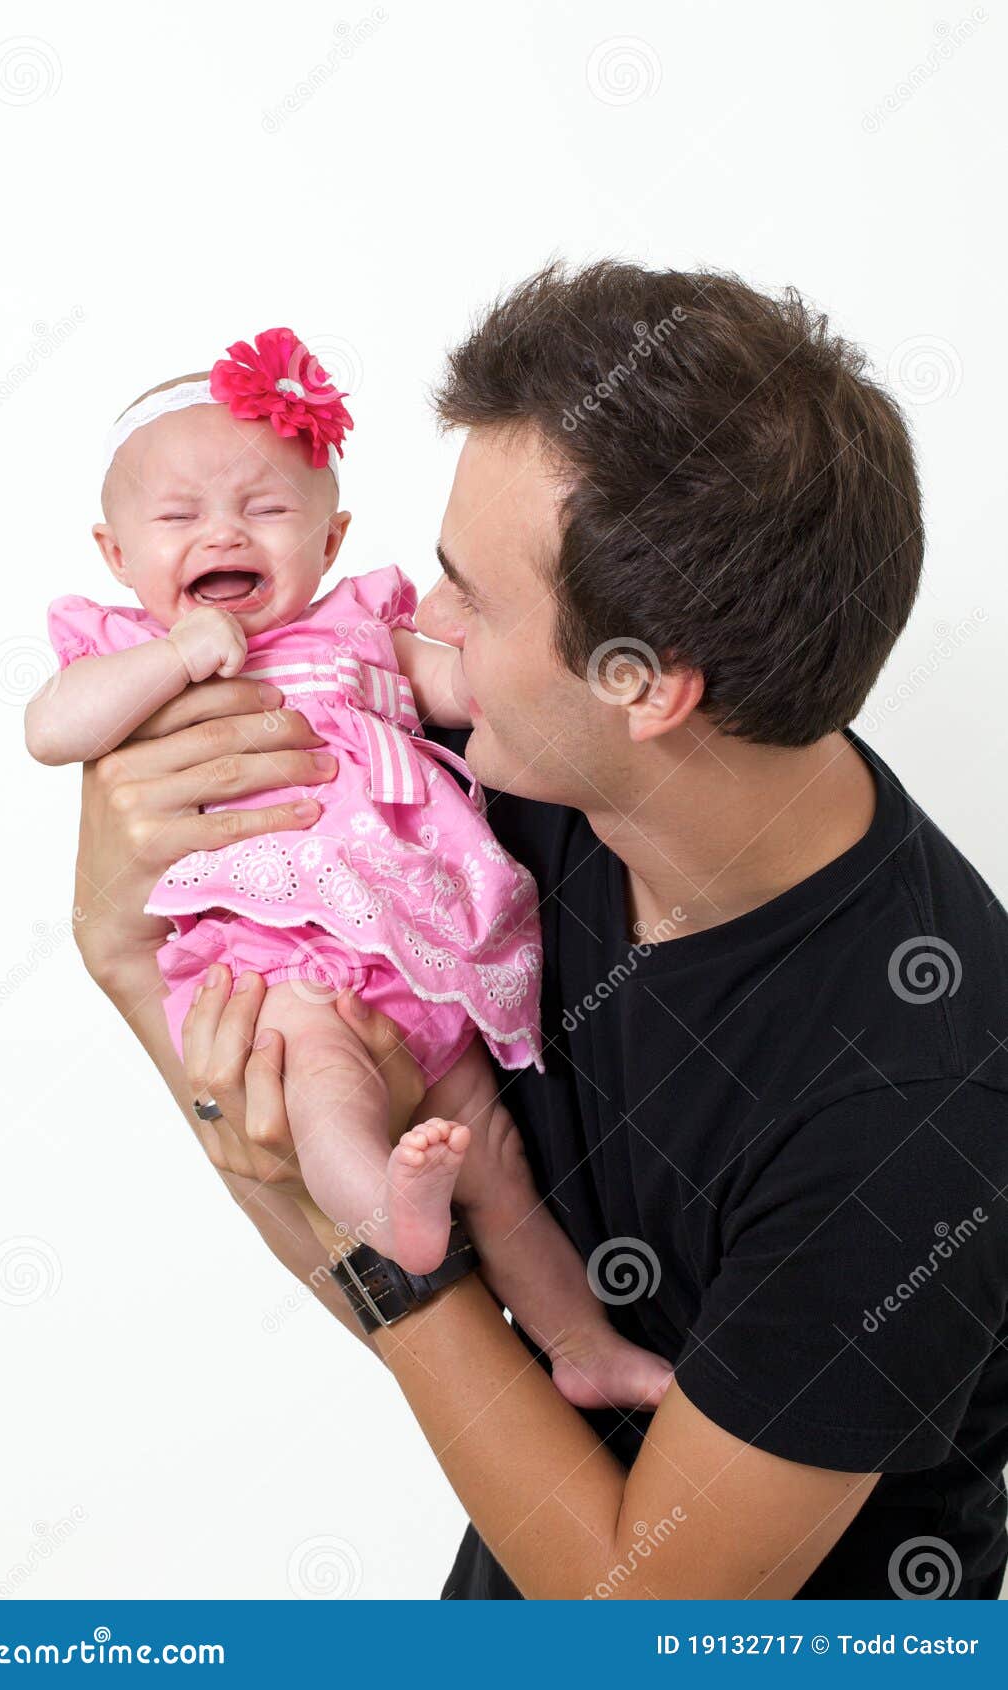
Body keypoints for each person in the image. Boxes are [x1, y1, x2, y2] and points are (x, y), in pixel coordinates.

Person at [73, 263, 1008, 1600]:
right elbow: (268, 1083)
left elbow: (634, 1615)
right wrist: (116, 917)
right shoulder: (504, 759)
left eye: (469, 597)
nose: (414, 621)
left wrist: (382, 1256)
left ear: (648, 686)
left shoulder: (906, 1114)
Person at [28, 325, 674, 1407]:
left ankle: (579, 1345)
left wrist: (580, 663)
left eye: (266, 510)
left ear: (330, 542)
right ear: (115, 555)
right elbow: (54, 728)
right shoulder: (122, 648)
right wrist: (175, 658)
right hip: (276, 964)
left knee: (498, 1157)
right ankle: (386, 1218)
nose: (223, 531)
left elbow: (465, 686)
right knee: (325, 1088)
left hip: (419, 954)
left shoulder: (362, 623)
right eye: (179, 516)